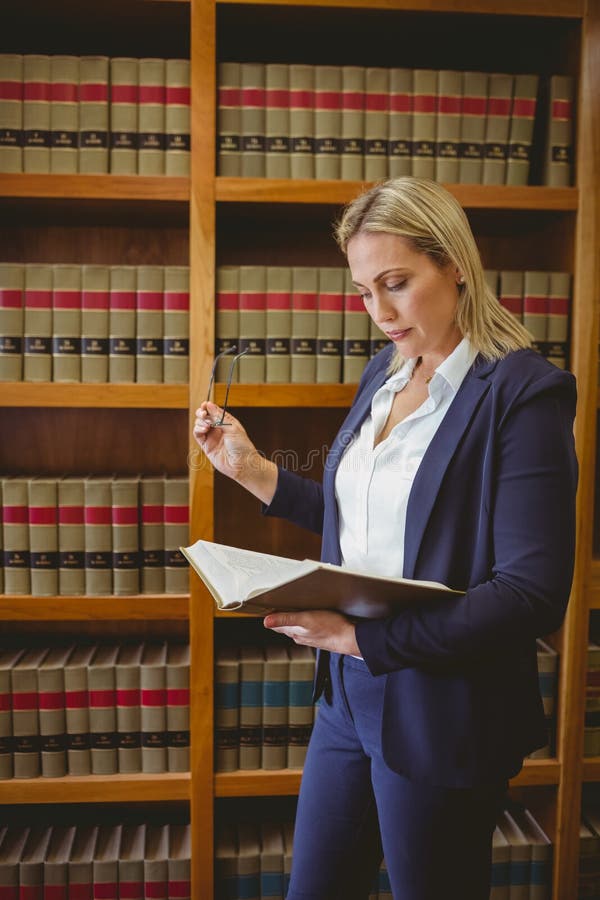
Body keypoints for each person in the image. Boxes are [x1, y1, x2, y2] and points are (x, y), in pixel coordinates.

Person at [193, 177, 578, 900]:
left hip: (442, 705)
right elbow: (363, 522)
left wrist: (367, 641)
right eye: (365, 291)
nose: (381, 312)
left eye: (396, 283)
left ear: (455, 263)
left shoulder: (524, 396)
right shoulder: (384, 373)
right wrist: (250, 471)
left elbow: (530, 595)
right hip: (345, 699)